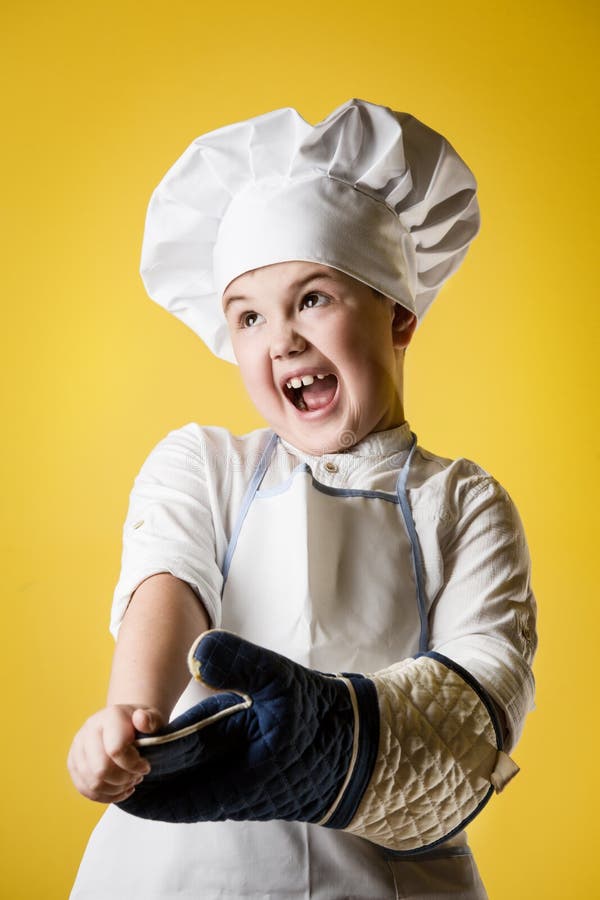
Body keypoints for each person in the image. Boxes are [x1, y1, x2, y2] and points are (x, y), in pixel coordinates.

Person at [68, 99, 537, 899]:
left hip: (386, 876)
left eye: (312, 298)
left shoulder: (465, 501)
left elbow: (483, 685)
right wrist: (130, 716)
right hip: (182, 873)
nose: (280, 338)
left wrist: (335, 741)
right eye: (247, 317)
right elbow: (169, 581)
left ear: (399, 314)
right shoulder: (207, 464)